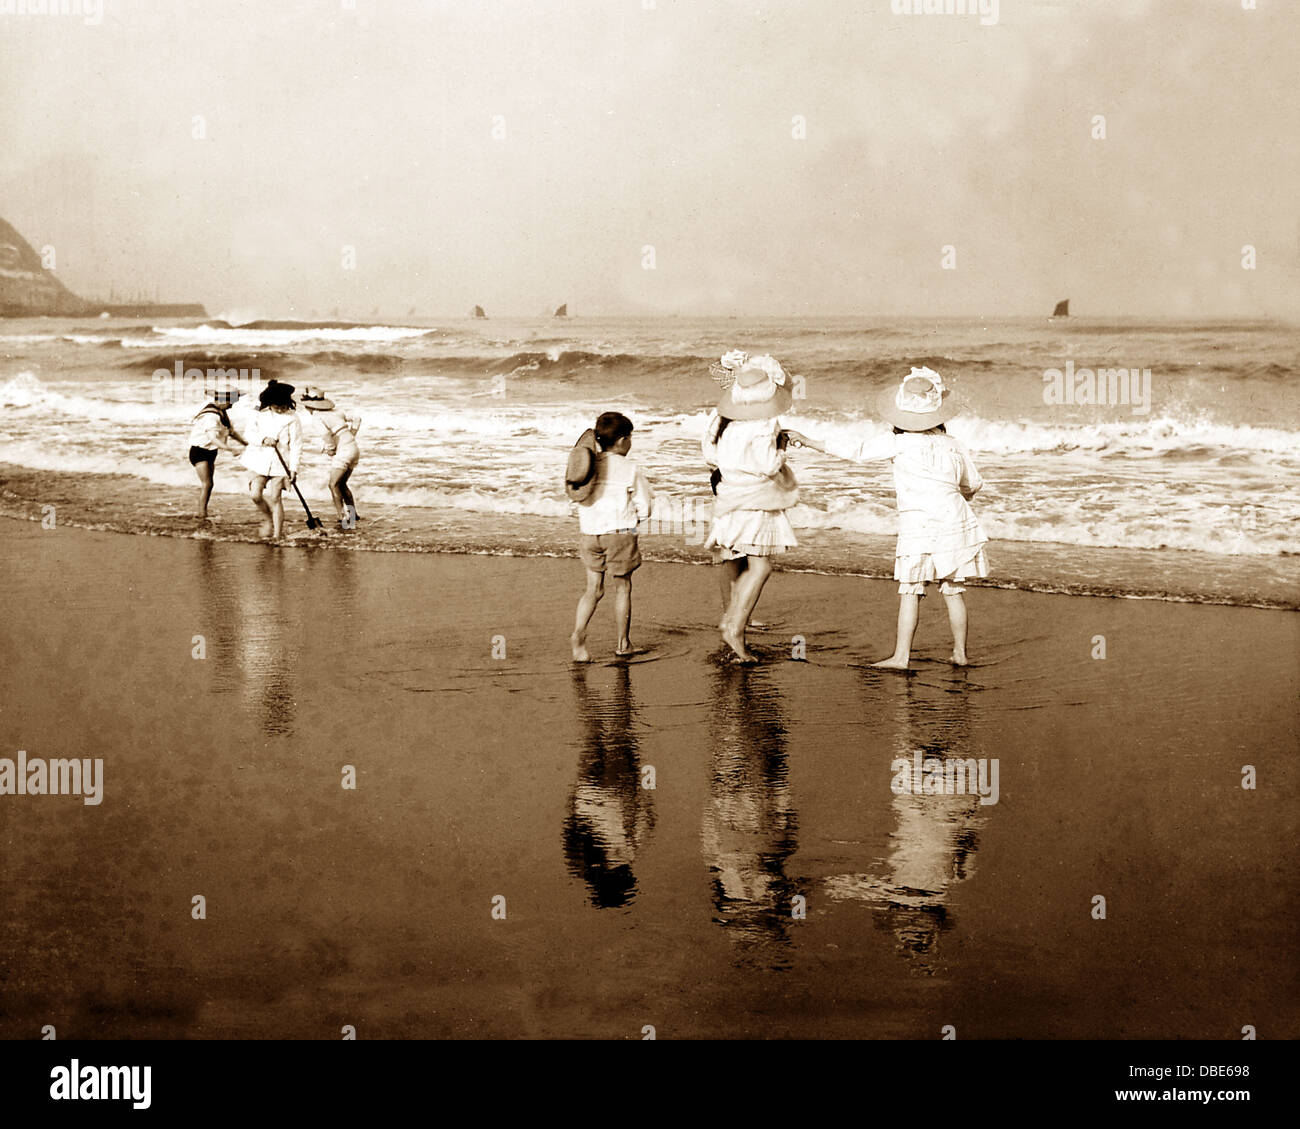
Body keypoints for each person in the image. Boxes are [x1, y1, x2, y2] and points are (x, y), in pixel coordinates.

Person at [786, 366, 988, 668]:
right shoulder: (954, 444)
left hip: (919, 524)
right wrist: (960, 494)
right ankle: (960, 653)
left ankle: (901, 656)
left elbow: (854, 450)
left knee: (911, 590)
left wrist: (808, 439)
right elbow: (972, 485)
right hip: (954, 521)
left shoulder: (899, 442)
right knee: (953, 589)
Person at [702, 352, 799, 663]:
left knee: (739, 559)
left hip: (730, 495)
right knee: (760, 566)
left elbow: (713, 455)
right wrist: (782, 449)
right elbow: (769, 466)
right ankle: (734, 628)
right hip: (756, 500)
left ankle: (731, 619)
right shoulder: (764, 425)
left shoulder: (725, 423)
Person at [571, 411, 654, 663]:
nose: (630, 443)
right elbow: (646, 506)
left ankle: (578, 636)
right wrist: (636, 518)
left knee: (593, 590)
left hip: (589, 533)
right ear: (621, 440)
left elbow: (579, 495)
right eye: (630, 438)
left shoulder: (590, 464)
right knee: (622, 588)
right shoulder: (630, 468)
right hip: (619, 533)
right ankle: (623, 643)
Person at [239, 380, 303, 542]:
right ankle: (268, 518)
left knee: (276, 498)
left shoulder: (293, 418)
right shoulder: (259, 413)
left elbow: (296, 445)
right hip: (258, 459)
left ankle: (277, 535)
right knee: (255, 495)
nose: (281, 410)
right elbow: (249, 434)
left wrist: (294, 469)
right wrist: (263, 439)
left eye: (284, 407)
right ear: (269, 404)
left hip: (281, 463)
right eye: (277, 407)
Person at [297, 386, 362, 529]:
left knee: (333, 485)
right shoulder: (337, 411)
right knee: (342, 484)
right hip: (353, 448)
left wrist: (331, 449)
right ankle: (353, 514)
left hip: (343, 451)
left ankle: (342, 516)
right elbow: (357, 419)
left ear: (309, 405)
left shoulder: (317, 417)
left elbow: (326, 436)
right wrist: (351, 434)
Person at [187, 390, 246, 520]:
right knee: (207, 484)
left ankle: (202, 511)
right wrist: (230, 449)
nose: (232, 406)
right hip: (199, 451)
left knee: (209, 484)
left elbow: (231, 432)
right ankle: (201, 513)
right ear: (222, 400)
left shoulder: (221, 413)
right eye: (230, 403)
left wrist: (244, 443)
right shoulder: (211, 416)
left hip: (211, 452)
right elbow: (213, 439)